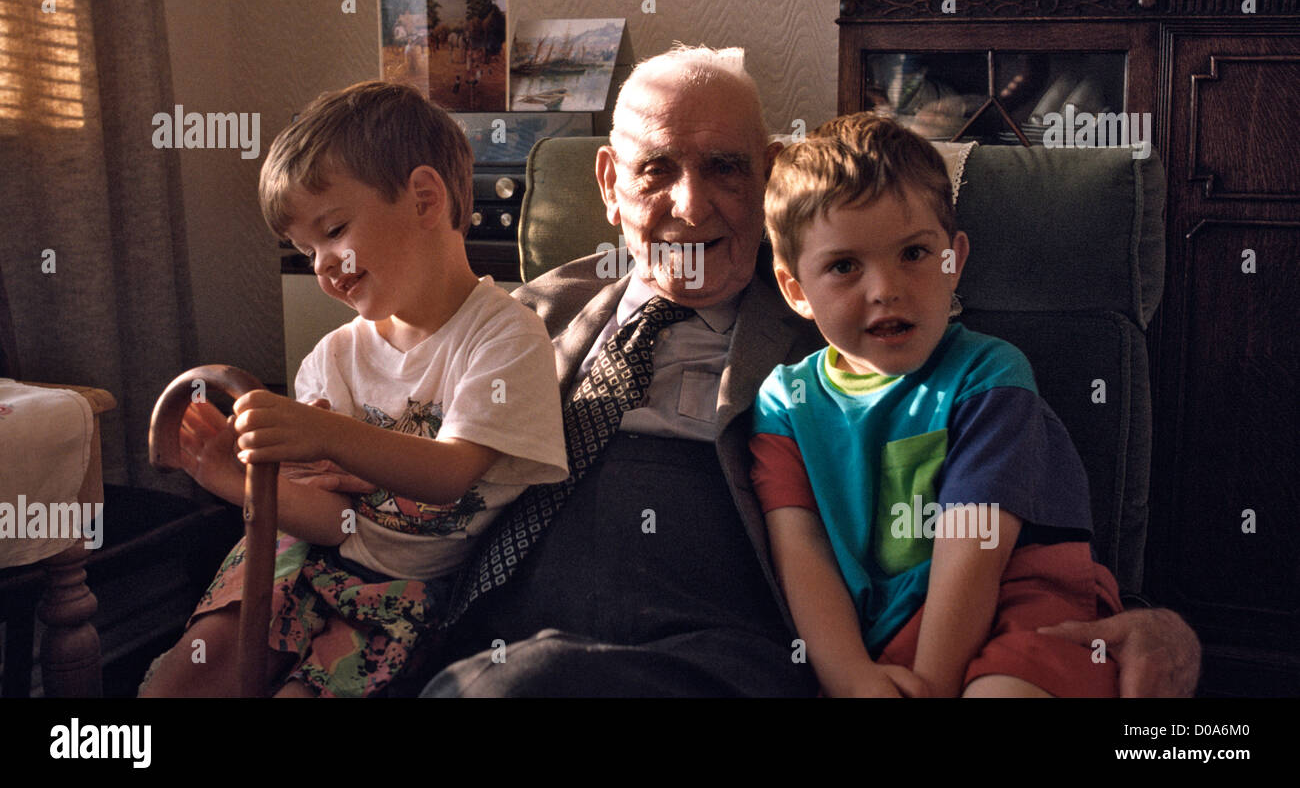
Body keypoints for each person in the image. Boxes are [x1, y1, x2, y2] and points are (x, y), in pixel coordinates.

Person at [421, 44, 1201, 697]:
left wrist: (1162, 628)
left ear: (766, 176)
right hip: (487, 638)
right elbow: (396, 472)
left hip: (716, 660)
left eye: (725, 168)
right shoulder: (513, 320)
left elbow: (999, 497)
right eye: (657, 168)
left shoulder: (849, 330)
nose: (691, 207)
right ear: (608, 187)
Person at [141, 81, 568, 697]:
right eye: (303, 249)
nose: (319, 265)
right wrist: (236, 481)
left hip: (403, 597)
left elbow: (450, 475)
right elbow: (337, 522)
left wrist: (324, 433)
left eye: (333, 229)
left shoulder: (506, 337)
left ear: (424, 199)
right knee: (184, 681)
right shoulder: (333, 357)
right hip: (305, 557)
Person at [751, 113, 1121, 697]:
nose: (886, 289)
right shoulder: (784, 403)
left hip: (1021, 606)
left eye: (915, 254)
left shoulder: (991, 375)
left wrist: (930, 683)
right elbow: (802, 553)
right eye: (845, 266)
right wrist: (850, 679)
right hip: (879, 633)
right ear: (796, 290)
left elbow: (973, 549)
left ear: (955, 259)